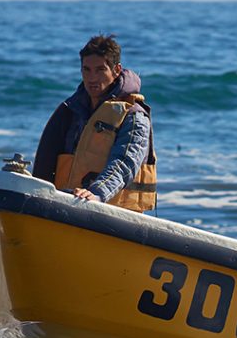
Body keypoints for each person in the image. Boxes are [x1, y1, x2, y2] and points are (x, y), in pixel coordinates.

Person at [33, 34, 156, 212]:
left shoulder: (134, 116)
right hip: (65, 205)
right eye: (87, 69)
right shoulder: (70, 111)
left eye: (100, 70)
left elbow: (125, 163)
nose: (92, 78)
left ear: (116, 70)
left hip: (114, 212)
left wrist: (97, 193)